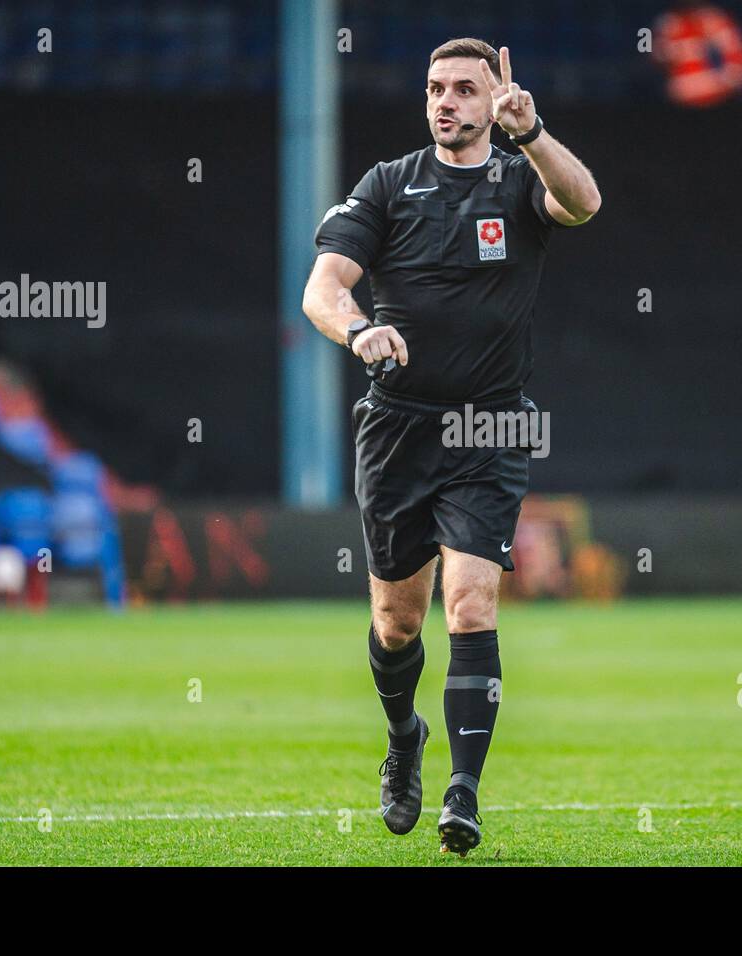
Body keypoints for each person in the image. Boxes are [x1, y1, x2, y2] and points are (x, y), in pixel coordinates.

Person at [303, 38, 600, 855]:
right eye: (435, 88)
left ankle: (464, 792)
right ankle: (405, 736)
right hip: (398, 426)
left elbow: (584, 203)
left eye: (465, 90)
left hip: (491, 425)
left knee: (471, 601)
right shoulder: (389, 186)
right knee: (398, 625)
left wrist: (533, 132)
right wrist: (360, 330)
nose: (445, 102)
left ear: (493, 99)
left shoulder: (519, 179)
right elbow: (322, 287)